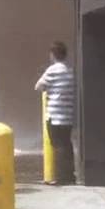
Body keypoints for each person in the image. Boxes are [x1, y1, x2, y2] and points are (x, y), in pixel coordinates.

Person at [35, 41, 76, 186]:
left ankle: (60, 178)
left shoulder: (52, 70)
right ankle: (70, 175)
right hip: (68, 114)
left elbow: (38, 86)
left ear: (52, 55)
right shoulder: (70, 71)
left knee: (57, 145)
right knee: (67, 144)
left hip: (54, 114)